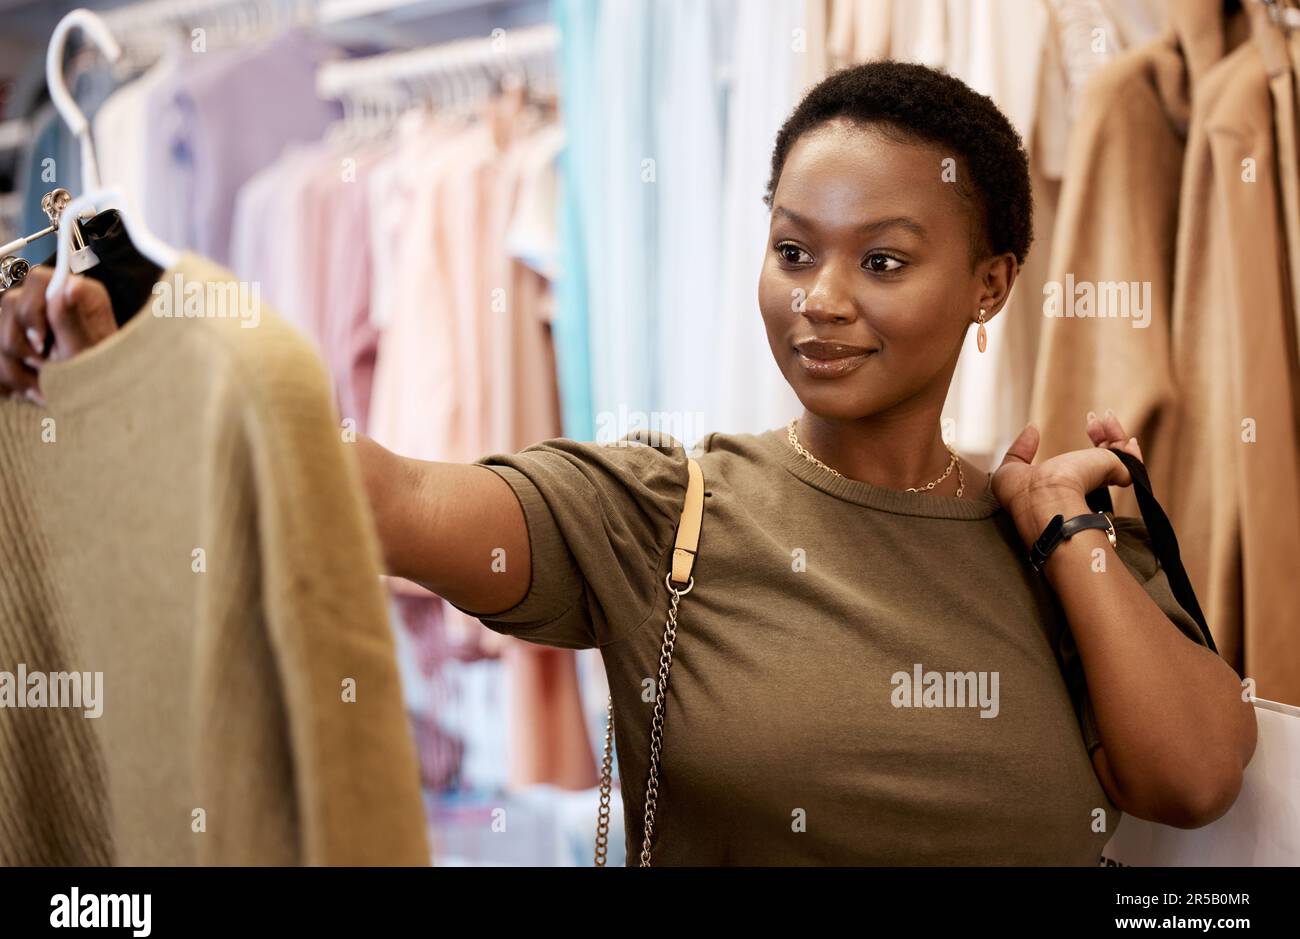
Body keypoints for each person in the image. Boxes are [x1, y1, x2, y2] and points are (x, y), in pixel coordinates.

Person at [0, 61, 1255, 866]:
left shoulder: (1064, 529)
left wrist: (1060, 531)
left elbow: (1190, 777)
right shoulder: (662, 511)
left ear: (990, 285)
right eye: (792, 251)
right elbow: (374, 492)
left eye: (881, 260)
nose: (819, 300)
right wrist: (139, 341)